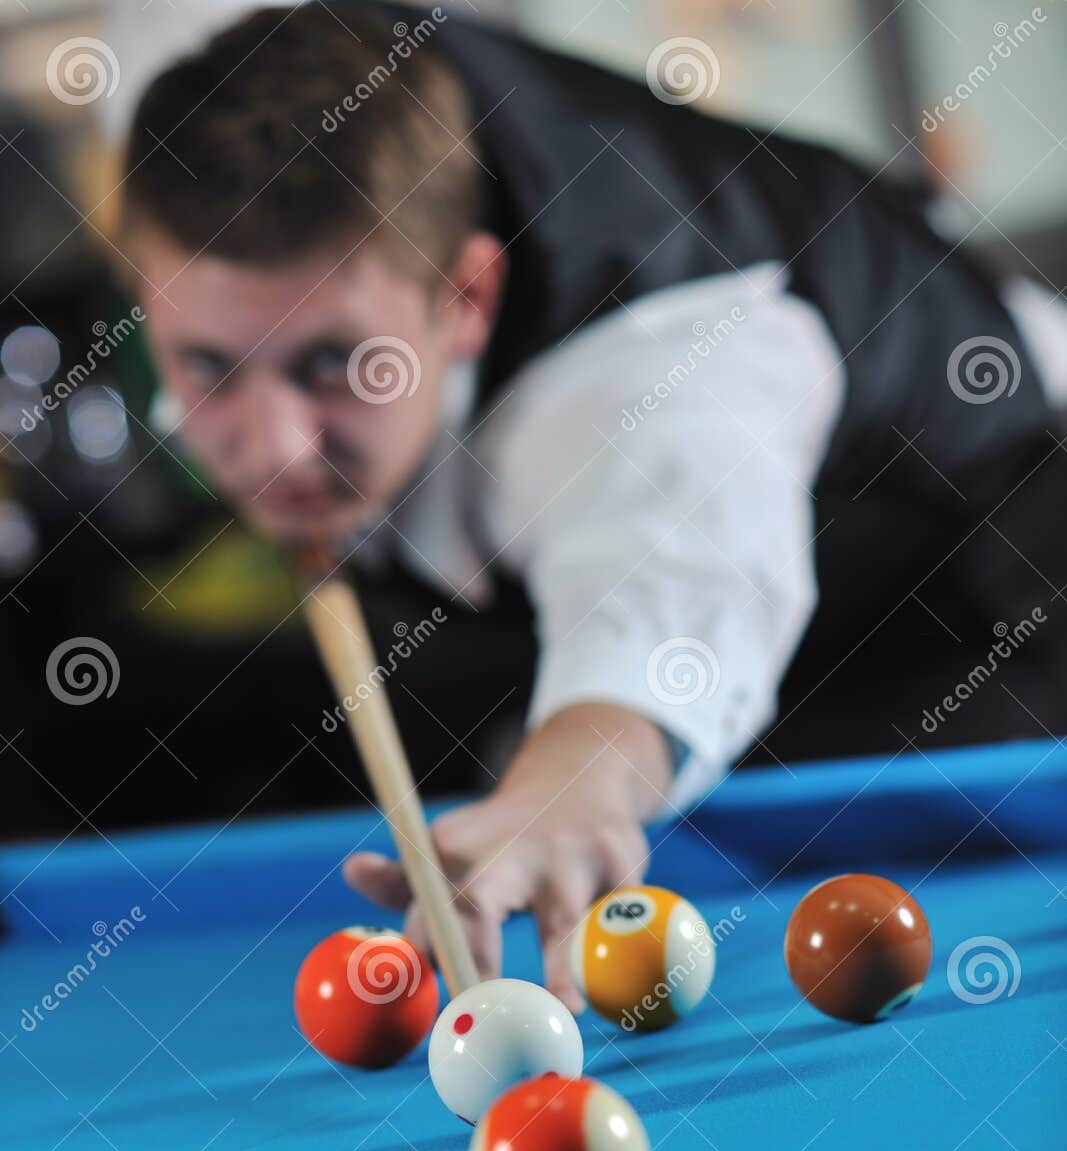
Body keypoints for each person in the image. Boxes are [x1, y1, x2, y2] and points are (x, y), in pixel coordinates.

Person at [115, 2, 1067, 1007]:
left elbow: (671, 583)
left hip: (988, 566)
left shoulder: (642, 368)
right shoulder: (194, 122)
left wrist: (568, 782)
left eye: (338, 364)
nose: (274, 449)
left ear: (466, 300)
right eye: (210, 365)